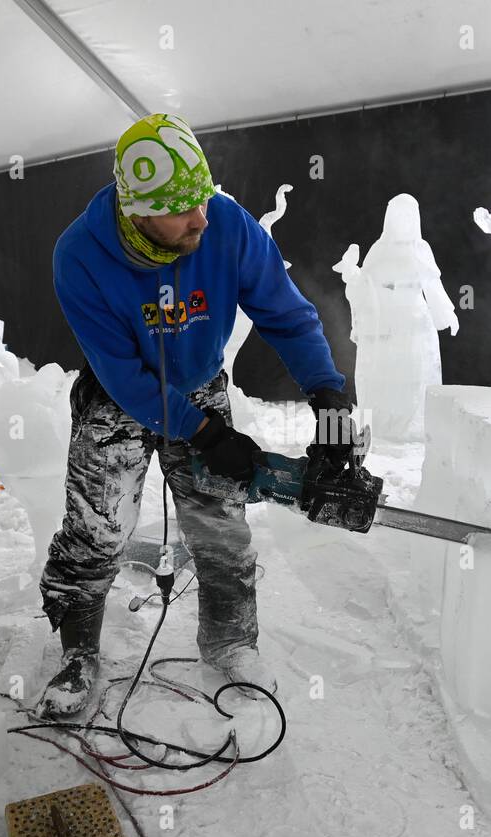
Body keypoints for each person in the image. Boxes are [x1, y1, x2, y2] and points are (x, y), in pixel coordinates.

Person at [37, 113, 356, 718]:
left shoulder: (227, 224)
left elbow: (286, 315)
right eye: (182, 209)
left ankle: (232, 645)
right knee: (97, 531)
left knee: (220, 527)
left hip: (200, 381)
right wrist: (204, 433)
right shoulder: (78, 254)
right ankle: (78, 653)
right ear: (139, 211)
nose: (201, 219)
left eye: (203, 199)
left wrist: (329, 395)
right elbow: (122, 371)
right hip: (117, 395)